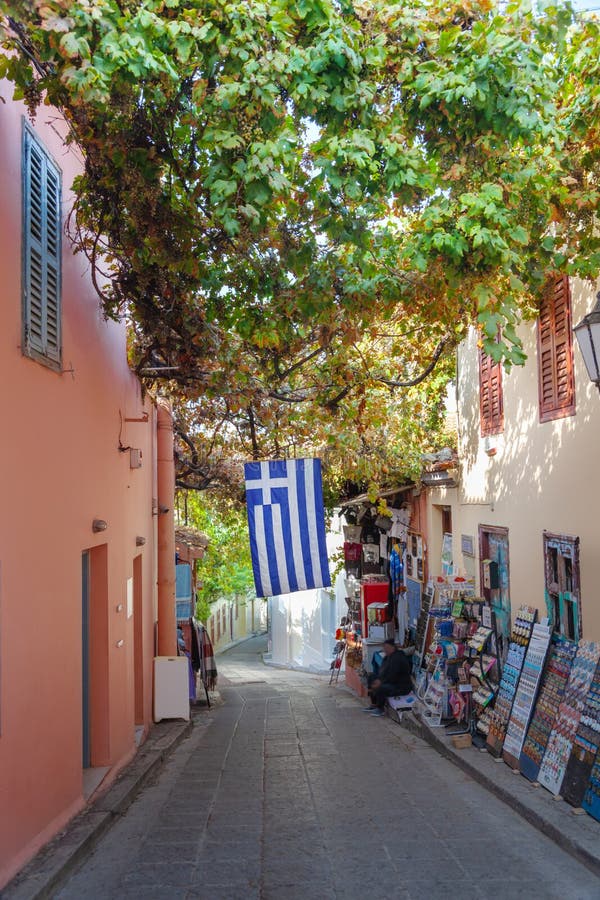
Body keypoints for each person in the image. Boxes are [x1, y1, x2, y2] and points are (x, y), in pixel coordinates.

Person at [364, 639, 412, 717]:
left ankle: (380, 709)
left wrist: (381, 682)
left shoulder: (398, 657)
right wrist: (378, 680)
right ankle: (374, 704)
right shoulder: (388, 657)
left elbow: (393, 675)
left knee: (381, 687)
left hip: (401, 686)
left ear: (392, 647)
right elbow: (382, 672)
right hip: (390, 681)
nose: (385, 649)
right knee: (371, 677)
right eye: (384, 647)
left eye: (387, 647)